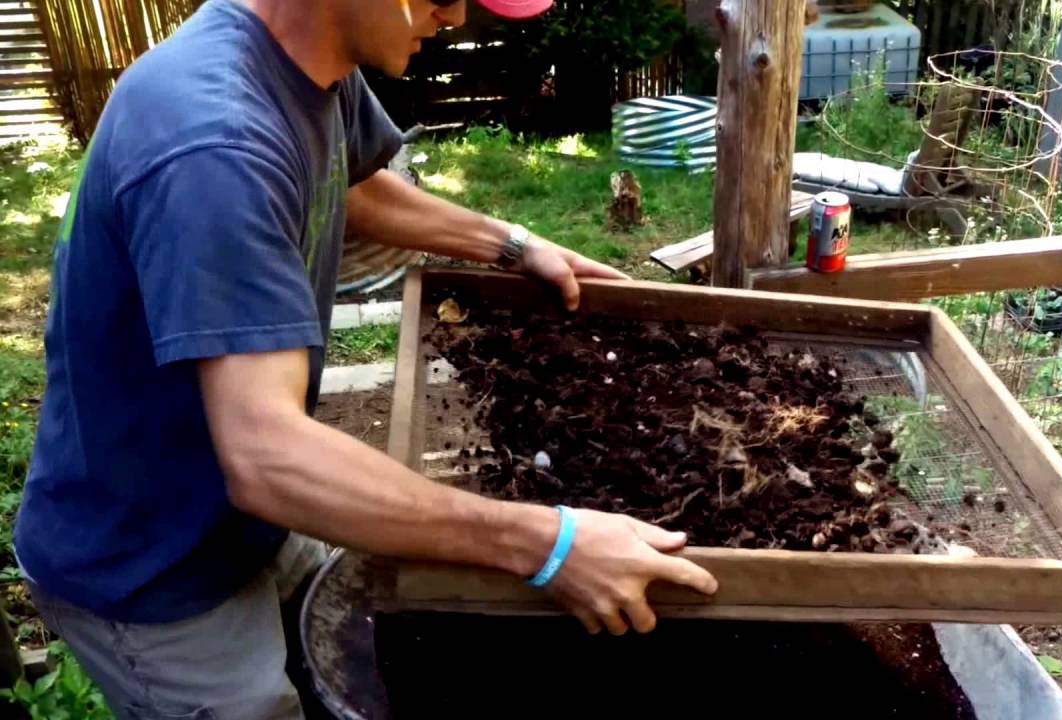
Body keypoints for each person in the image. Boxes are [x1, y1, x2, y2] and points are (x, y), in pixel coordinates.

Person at [14, 0, 718, 717]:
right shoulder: (215, 145)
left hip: (223, 505)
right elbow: (267, 458)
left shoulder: (306, 58)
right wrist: (549, 544)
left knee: (348, 638)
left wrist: (512, 244)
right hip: (149, 561)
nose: (455, 16)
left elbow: (350, 181)